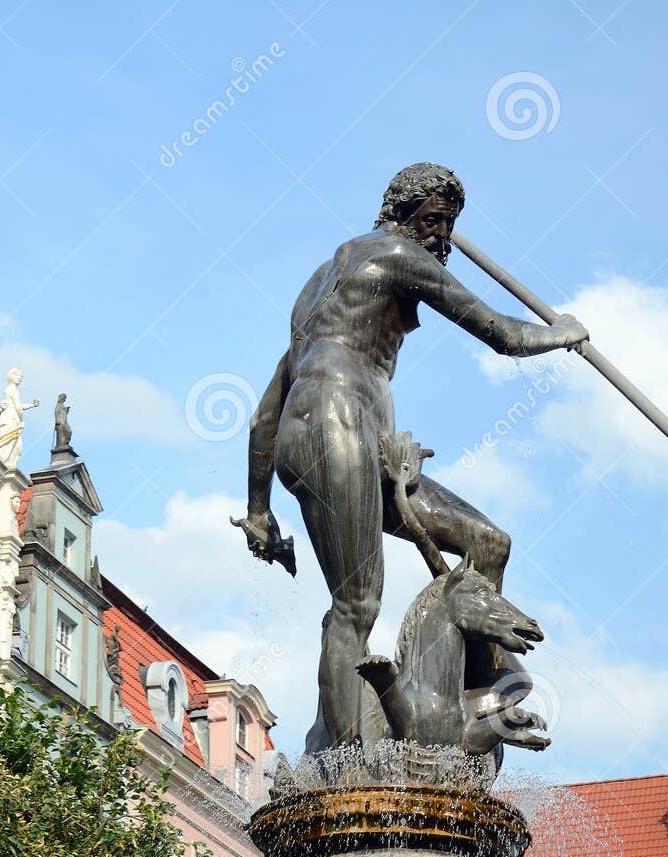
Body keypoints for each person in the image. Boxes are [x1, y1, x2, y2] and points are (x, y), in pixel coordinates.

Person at [237, 163, 586, 750]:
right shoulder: (398, 254)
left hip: (357, 439)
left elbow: (263, 416)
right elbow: (503, 335)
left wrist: (258, 508)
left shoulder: (318, 291)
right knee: (356, 604)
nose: (442, 236)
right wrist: (564, 331)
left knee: (487, 544)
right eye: (434, 220)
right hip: (334, 423)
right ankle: (343, 760)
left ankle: (467, 709)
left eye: (449, 224)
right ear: (401, 213)